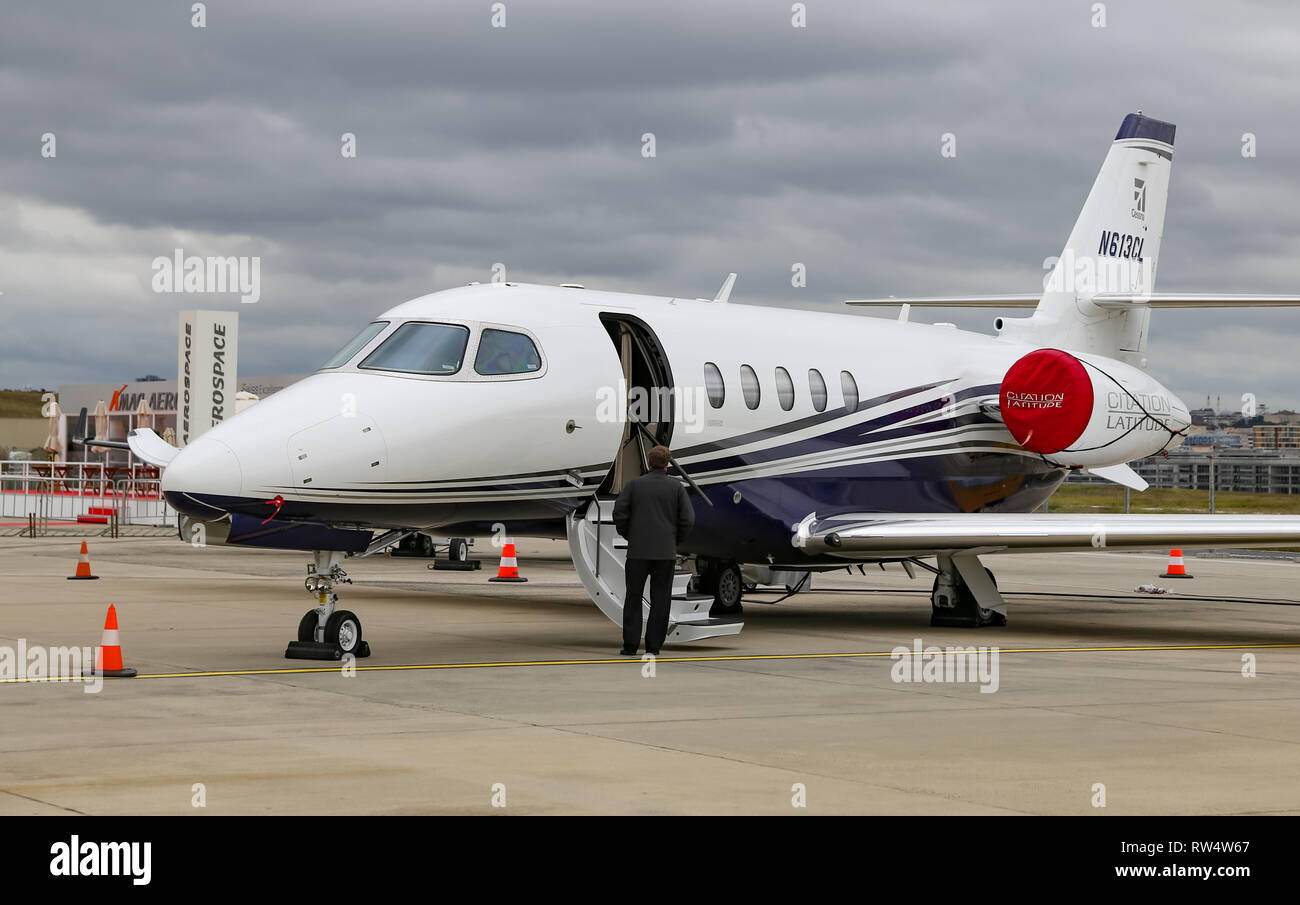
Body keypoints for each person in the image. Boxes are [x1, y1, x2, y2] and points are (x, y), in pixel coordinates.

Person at [612, 444, 695, 656]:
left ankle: (630, 645)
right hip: (664, 553)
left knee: (633, 597)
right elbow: (688, 519)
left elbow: (619, 513)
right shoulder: (676, 488)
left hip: (638, 551)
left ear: (649, 462)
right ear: (667, 464)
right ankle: (653, 645)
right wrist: (674, 540)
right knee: (660, 599)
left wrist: (629, 534)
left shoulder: (634, 485)